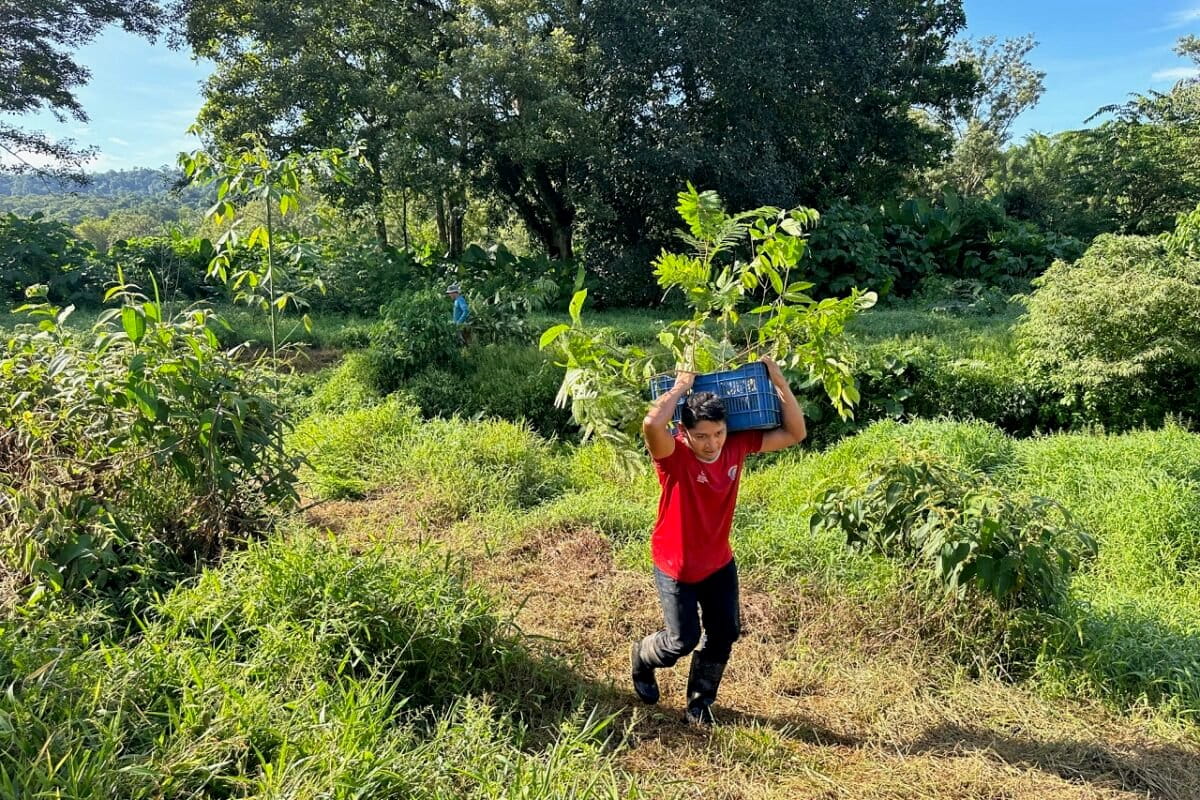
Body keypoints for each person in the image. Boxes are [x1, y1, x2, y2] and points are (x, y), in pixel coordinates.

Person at [631, 356, 807, 726]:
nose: (712, 444)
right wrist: (680, 385)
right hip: (676, 564)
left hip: (718, 561)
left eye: (718, 433)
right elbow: (651, 423)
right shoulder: (673, 456)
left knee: (725, 631)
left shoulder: (735, 447)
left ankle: (699, 702)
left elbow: (795, 434)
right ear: (684, 431)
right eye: (702, 436)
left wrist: (779, 381)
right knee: (681, 640)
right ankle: (643, 656)